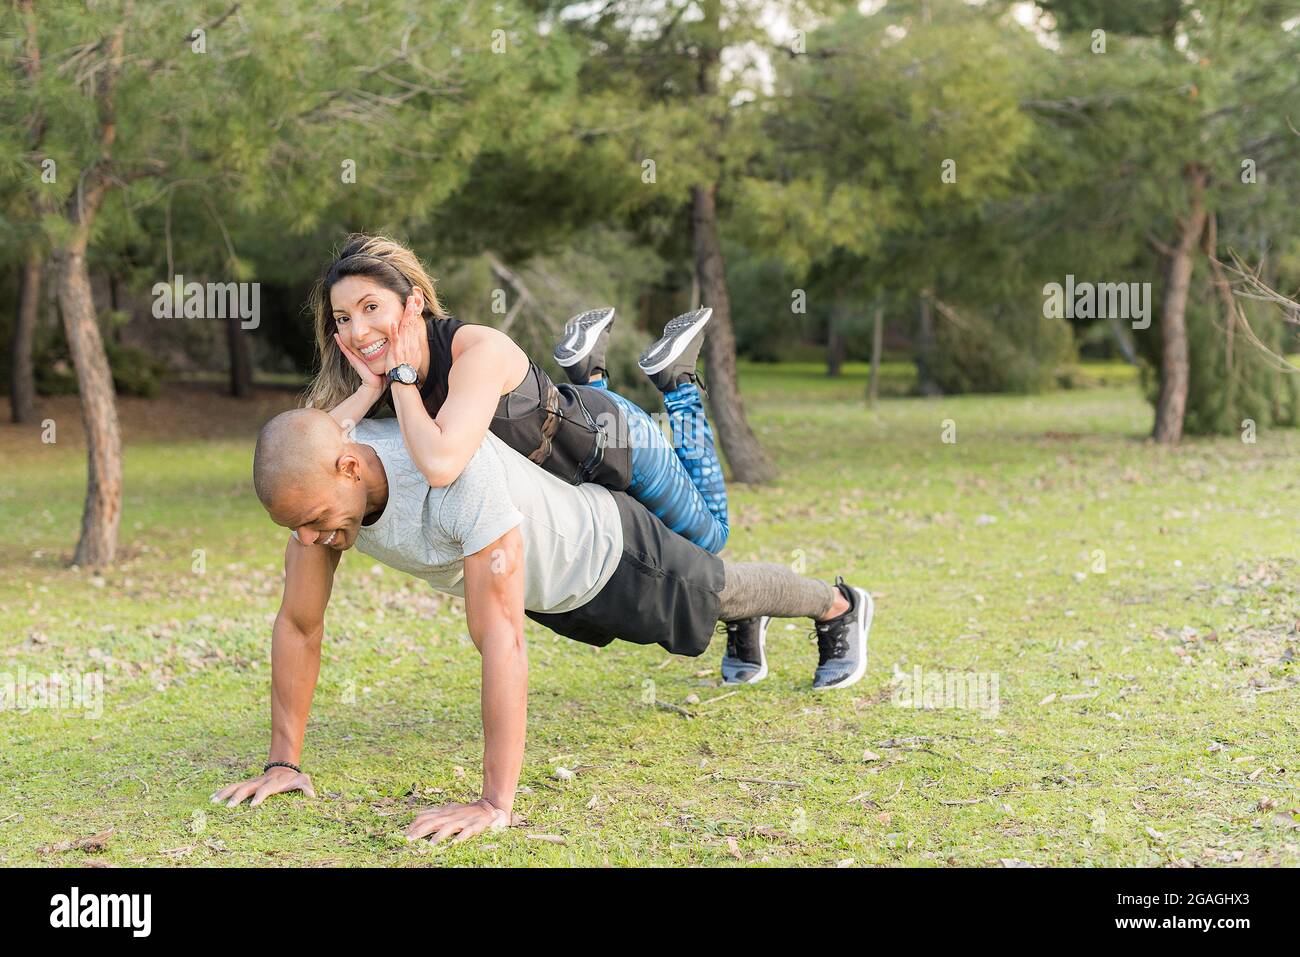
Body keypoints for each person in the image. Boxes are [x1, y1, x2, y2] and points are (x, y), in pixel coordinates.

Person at [213, 409, 873, 844]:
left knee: (719, 589)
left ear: (350, 466)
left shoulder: (450, 476)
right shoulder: (321, 509)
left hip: (610, 554)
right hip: (549, 592)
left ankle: (837, 603)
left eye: (315, 516)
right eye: (293, 526)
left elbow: (499, 638)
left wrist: (493, 803)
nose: (307, 536)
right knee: (709, 605)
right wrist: (283, 762)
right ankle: (745, 618)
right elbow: (299, 625)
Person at [304, 233, 729, 556]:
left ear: (413, 303)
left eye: (371, 307)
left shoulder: (475, 350)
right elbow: (308, 451)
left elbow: (439, 464)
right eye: (343, 318)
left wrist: (397, 378)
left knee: (712, 538)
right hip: (573, 444)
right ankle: (587, 371)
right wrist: (369, 387)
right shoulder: (390, 377)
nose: (357, 332)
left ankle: (677, 384)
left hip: (618, 440)